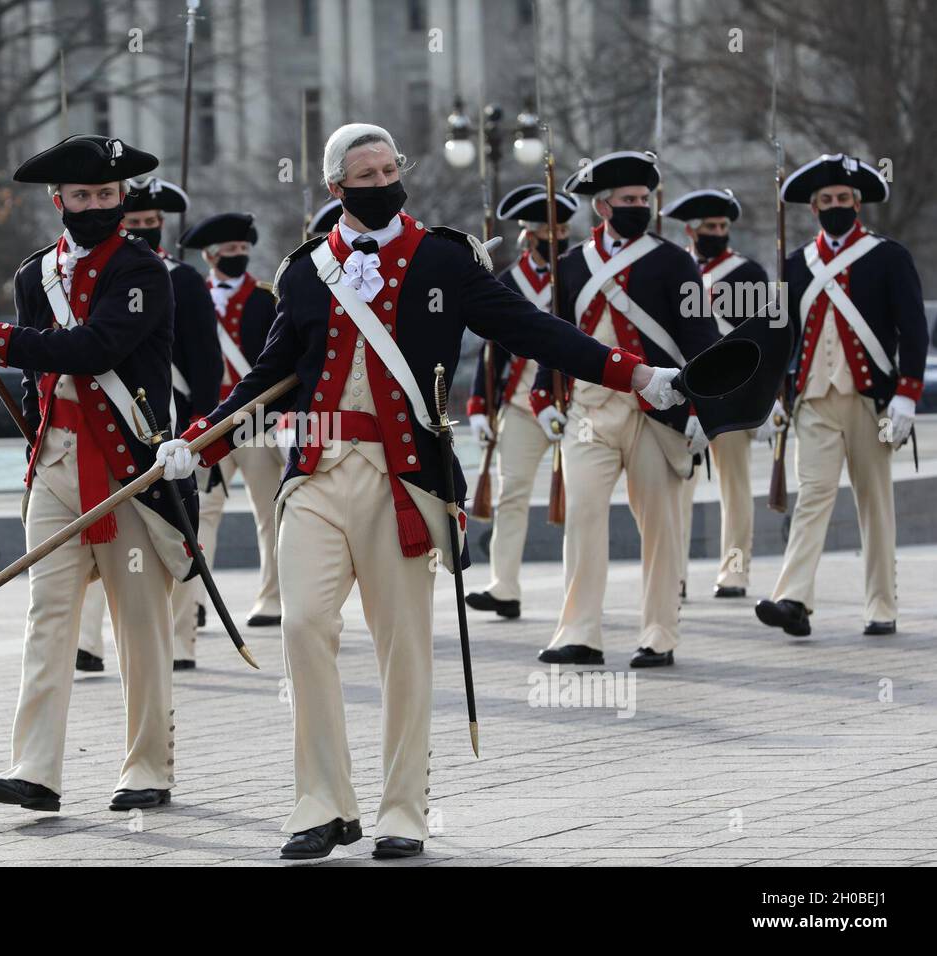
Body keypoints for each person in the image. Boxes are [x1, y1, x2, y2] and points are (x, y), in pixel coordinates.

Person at [155, 124, 688, 860]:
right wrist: (199, 438)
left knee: (402, 647)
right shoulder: (308, 270)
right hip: (315, 472)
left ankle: (402, 809)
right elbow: (266, 380)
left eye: (389, 169)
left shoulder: (444, 258)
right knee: (306, 625)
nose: (382, 183)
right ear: (335, 188)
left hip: (404, 476)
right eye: (364, 175)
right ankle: (322, 802)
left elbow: (535, 331)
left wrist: (635, 374)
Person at [0, 134, 197, 814]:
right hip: (57, 465)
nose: (95, 205)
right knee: (47, 619)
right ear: (58, 201)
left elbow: (97, 347)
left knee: (139, 627)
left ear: (123, 199)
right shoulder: (36, 275)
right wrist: (36, 430)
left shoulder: (145, 272)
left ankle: (147, 768)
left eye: (107, 196)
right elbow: (40, 377)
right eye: (82, 196)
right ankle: (35, 769)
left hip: (128, 468)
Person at [534, 151, 721, 669]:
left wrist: (706, 409)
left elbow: (700, 338)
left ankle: (660, 632)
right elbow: (554, 336)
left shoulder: (674, 261)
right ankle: (579, 632)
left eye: (644, 199)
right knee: (584, 517)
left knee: (660, 524)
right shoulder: (572, 265)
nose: (639, 206)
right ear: (603, 206)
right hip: (590, 409)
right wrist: (543, 395)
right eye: (629, 200)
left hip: (654, 411)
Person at [755, 154, 927, 637]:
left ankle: (881, 606)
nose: (836, 206)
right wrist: (770, 396)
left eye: (844, 199)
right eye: (827, 200)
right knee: (813, 496)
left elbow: (913, 330)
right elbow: (777, 338)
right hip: (812, 398)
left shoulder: (888, 256)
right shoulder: (793, 264)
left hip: (872, 399)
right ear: (813, 208)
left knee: (875, 501)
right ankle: (794, 599)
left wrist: (907, 396)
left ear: (858, 204)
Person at [118, 177, 223, 669]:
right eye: (134, 223)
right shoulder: (106, 278)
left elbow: (206, 360)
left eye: (151, 223)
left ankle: (181, 642)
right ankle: (91, 645)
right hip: (120, 426)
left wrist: (201, 427)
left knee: (181, 537)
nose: (143, 230)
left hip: (177, 425)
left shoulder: (182, 279)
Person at [465, 184, 578, 620]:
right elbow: (491, 350)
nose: (559, 238)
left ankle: (577, 592)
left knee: (579, 501)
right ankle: (503, 585)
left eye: (565, 229)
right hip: (519, 404)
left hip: (573, 404)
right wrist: (479, 406)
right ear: (529, 235)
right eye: (552, 230)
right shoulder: (508, 281)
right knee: (512, 495)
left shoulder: (577, 273)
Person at [173, 212, 284, 635]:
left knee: (269, 513)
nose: (238, 256)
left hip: (256, 421)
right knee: (201, 515)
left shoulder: (266, 299)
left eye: (243, 250)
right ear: (210, 255)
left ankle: (272, 598)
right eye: (230, 251)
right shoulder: (188, 296)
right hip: (208, 422)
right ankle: (196, 601)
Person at [662, 188, 775, 600]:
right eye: (710, 227)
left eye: (723, 226)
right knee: (678, 487)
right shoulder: (673, 269)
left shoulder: (749, 273)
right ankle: (674, 574)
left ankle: (735, 572)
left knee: (735, 486)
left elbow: (766, 339)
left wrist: (768, 399)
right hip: (685, 390)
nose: (718, 233)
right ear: (691, 230)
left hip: (731, 391)